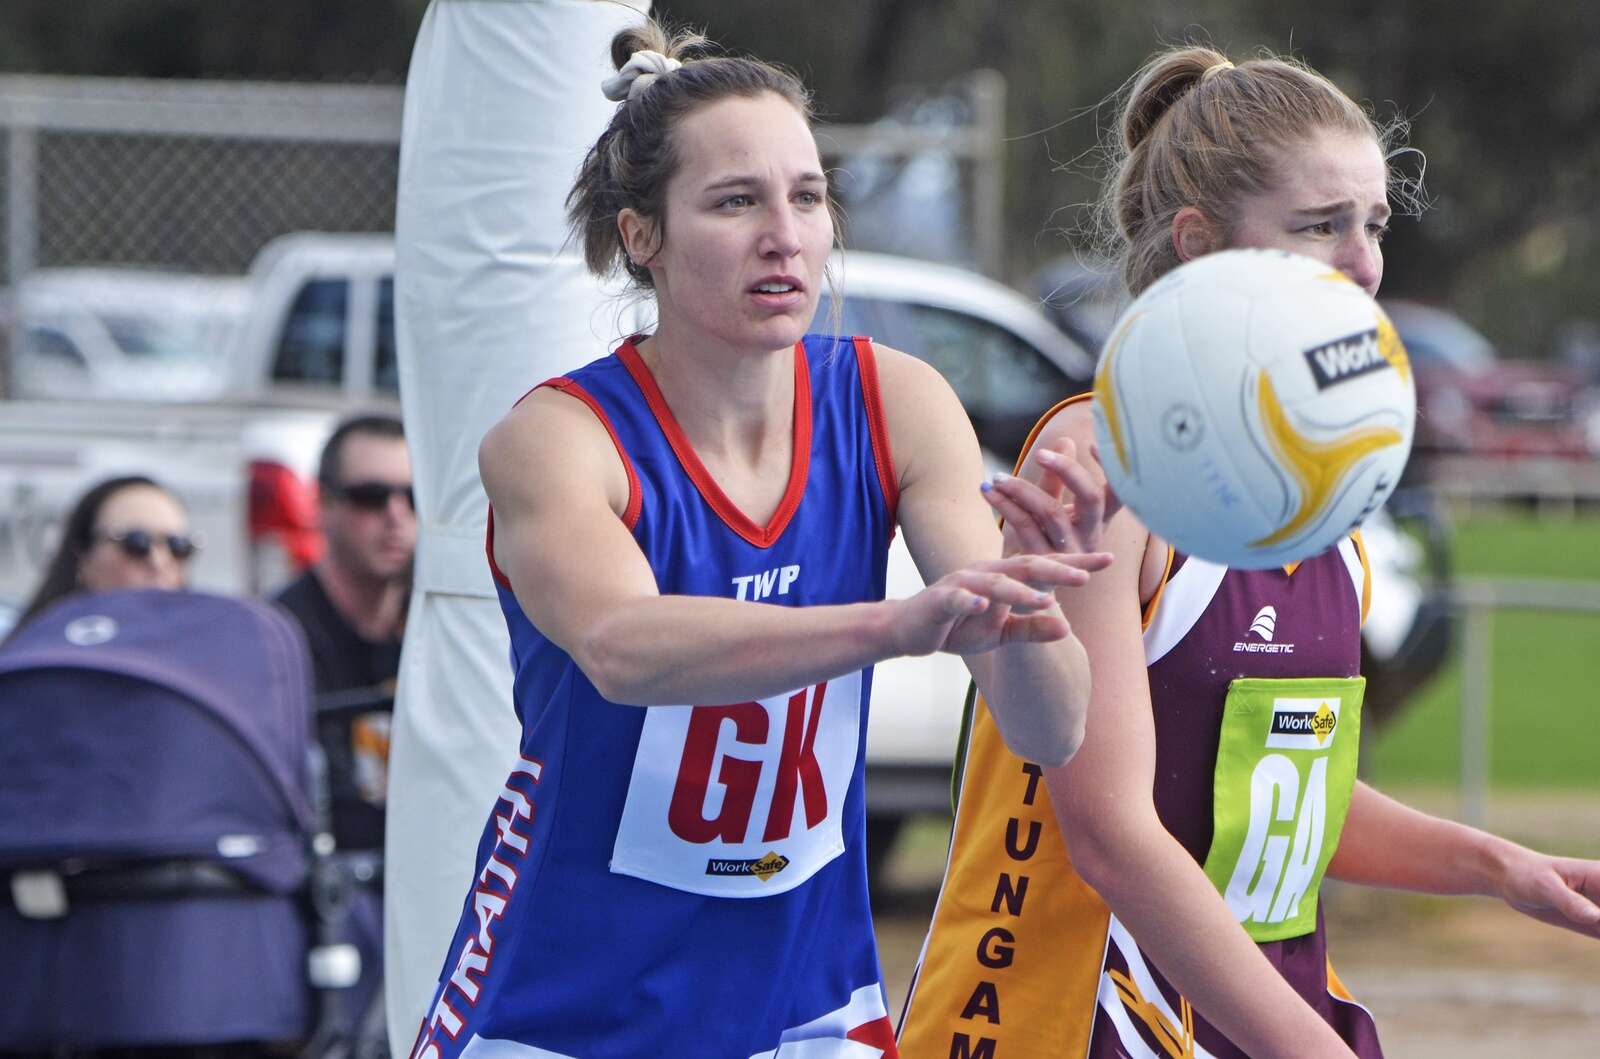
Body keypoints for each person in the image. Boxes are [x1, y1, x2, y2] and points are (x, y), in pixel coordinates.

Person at [406, 21, 1116, 1059]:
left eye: (808, 195)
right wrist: (891, 624)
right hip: (565, 1008)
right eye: (735, 202)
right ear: (641, 234)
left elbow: (1049, 733)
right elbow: (622, 646)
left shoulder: (893, 400)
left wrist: (1035, 608)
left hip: (807, 1009)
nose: (784, 234)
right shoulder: (555, 439)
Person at [897, 45, 1600, 1059]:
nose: (1362, 262)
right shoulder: (1102, 457)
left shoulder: (1324, 486)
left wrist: (1496, 866)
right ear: (1200, 245)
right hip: (1081, 1018)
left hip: (1252, 1012)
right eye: (1320, 226)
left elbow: (1276, 786)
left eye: (1373, 224)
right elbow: (1112, 834)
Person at [275, 413, 415, 852]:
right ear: (323, 504)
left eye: (414, 496)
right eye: (370, 497)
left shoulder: (443, 629)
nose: (396, 515)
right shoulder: (281, 635)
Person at [9, 474, 196, 636]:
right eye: (136, 543)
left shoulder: (206, 657)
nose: (159, 562)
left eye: (178, 546)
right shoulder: (36, 657)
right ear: (83, 557)